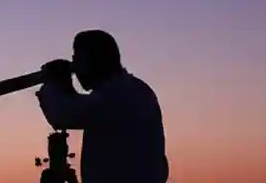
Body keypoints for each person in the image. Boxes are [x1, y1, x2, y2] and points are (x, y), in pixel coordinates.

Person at [36, 30, 169, 183]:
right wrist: (64, 89)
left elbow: (62, 114)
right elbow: (84, 108)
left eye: (78, 60)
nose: (75, 69)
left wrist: (51, 82)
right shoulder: (132, 90)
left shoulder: (117, 95)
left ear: (94, 60)